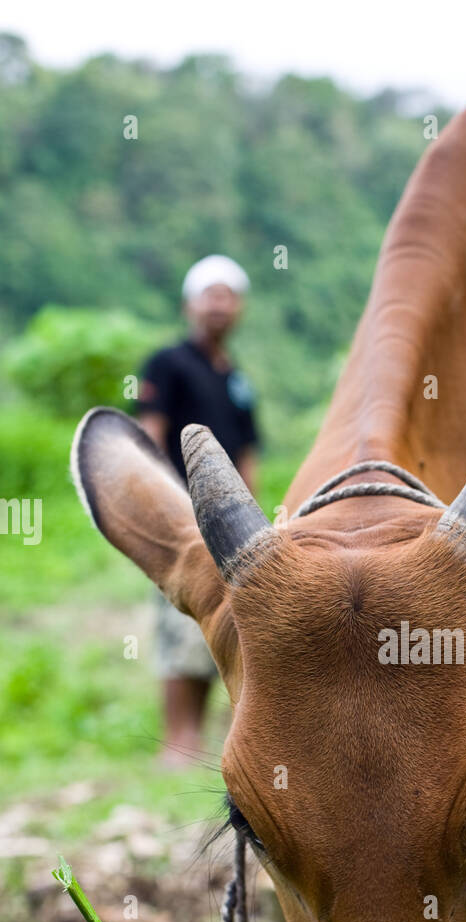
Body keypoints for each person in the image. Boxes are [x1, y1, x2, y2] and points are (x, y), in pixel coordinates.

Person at [136, 254, 260, 766]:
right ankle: (178, 744)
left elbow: (247, 452)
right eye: (210, 294)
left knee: (222, 621)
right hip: (182, 518)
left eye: (228, 295)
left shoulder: (236, 378)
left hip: (231, 525)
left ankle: (209, 741)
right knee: (179, 619)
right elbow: (150, 434)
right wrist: (166, 507)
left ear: (240, 308)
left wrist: (255, 518)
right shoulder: (167, 363)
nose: (219, 304)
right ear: (190, 304)